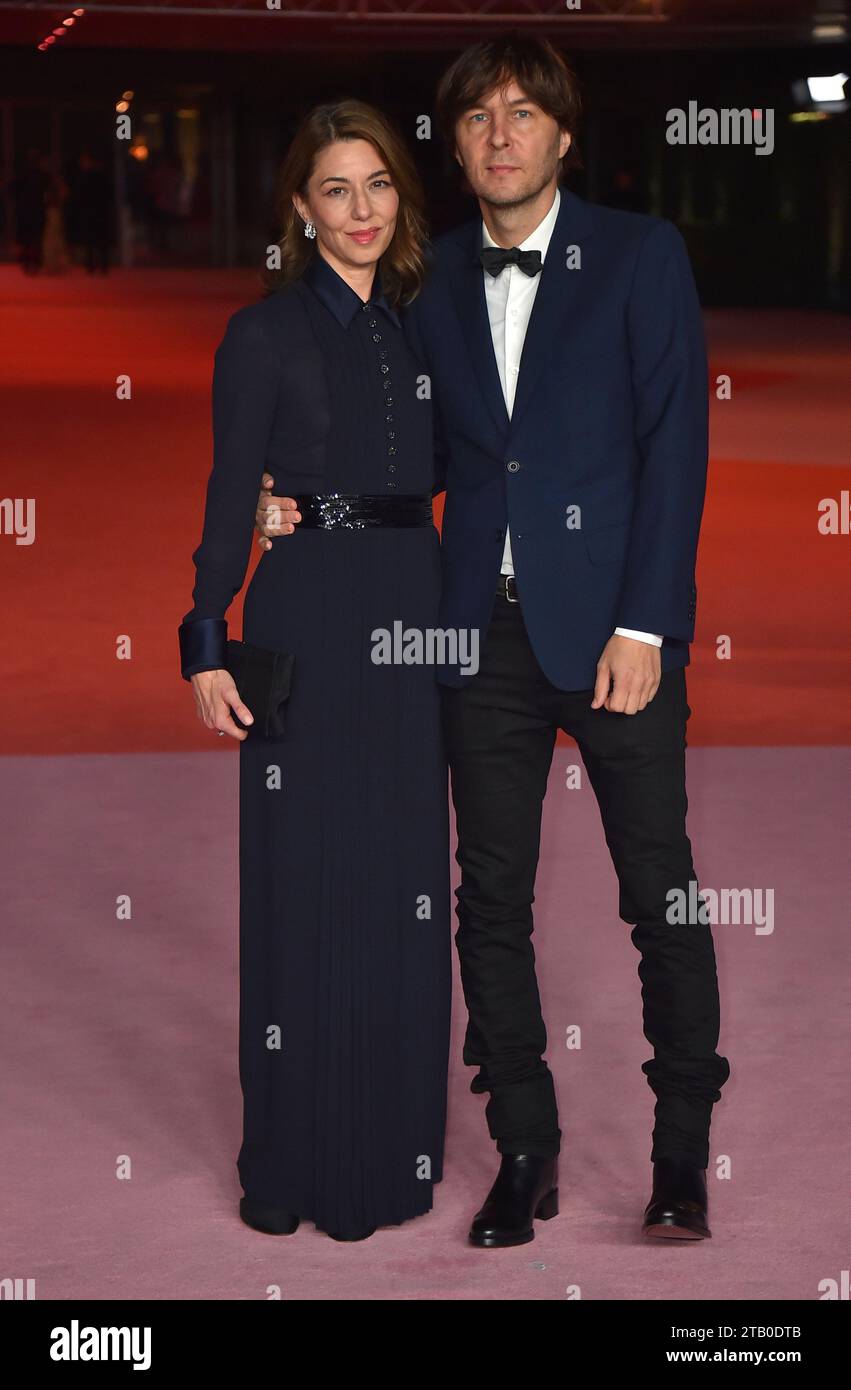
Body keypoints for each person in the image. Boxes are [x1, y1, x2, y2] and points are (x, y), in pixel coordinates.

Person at [257, 33, 731, 1247]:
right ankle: (524, 1147)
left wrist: (644, 622)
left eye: (523, 114)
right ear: (454, 145)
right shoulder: (430, 281)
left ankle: (681, 1155)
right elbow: (361, 408)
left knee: (659, 892)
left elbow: (675, 447)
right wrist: (287, 489)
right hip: (476, 636)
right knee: (487, 901)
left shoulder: (638, 255)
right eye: (476, 118)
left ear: (563, 136)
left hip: (613, 631)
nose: (500, 134)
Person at [179, 100, 451, 1241]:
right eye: (334, 190)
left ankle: (393, 1156)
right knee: (299, 886)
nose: (359, 212)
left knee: (399, 886)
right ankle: (287, 1161)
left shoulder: (426, 328)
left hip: (413, 613)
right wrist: (204, 635)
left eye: (377, 186)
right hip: (305, 620)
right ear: (298, 206)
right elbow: (224, 487)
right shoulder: (262, 334)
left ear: (401, 199)